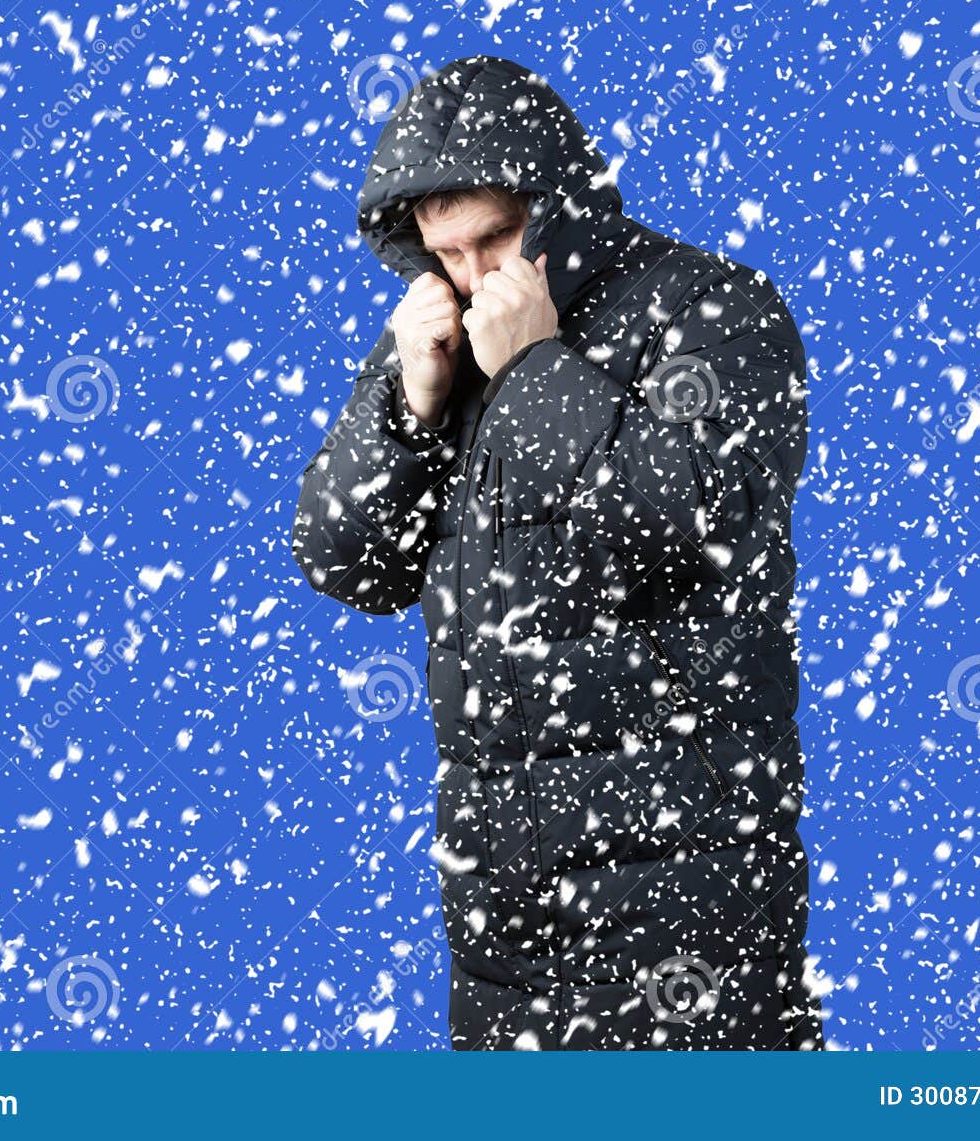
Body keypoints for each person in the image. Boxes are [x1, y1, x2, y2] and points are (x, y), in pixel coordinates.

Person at [293, 55, 821, 1050]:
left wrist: (537, 372)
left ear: (558, 202)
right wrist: (408, 411)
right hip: (503, 912)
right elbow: (346, 561)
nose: (473, 273)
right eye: (444, 250)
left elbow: (714, 526)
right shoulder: (431, 342)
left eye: (497, 236)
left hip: (687, 905)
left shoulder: (708, 308)